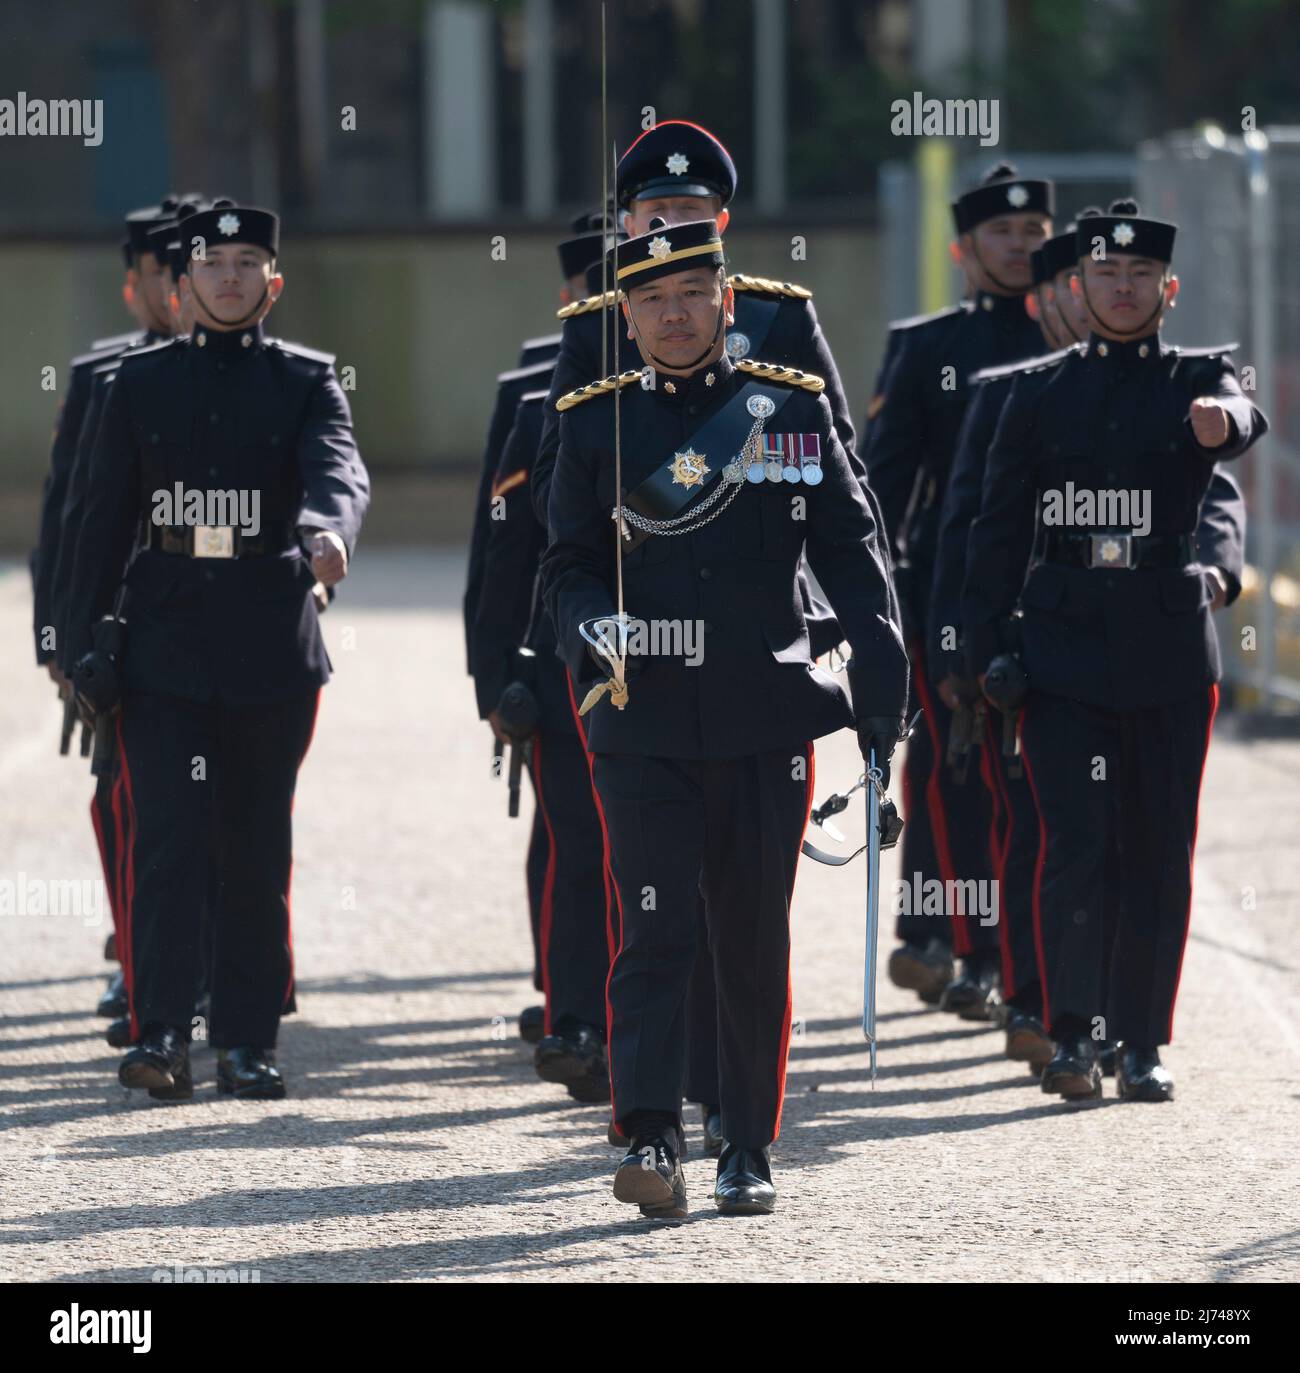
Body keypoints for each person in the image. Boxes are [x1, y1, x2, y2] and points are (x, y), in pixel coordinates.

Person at [541, 220, 907, 1216]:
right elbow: (564, 566)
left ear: (724, 302)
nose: (673, 313)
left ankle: (745, 1141)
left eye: (692, 294)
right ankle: (652, 1132)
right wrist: (591, 621)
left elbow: (847, 545)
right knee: (654, 929)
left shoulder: (783, 414)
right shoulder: (591, 424)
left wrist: (881, 676)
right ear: (625, 315)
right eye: (652, 299)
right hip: (640, 717)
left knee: (750, 936)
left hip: (761, 713)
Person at [962, 200, 1267, 1102]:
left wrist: (1224, 423)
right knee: (1076, 846)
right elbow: (994, 528)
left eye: (1140, 277)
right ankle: (1073, 1036)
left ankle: (1141, 1041)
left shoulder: (1198, 379)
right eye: (1107, 275)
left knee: (1157, 848)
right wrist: (983, 648)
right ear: (1079, 285)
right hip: (1060, 648)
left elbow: (1243, 417)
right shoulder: (1038, 390)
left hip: (1168, 647)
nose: (1123, 288)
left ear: (1166, 290)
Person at [66, 199, 369, 1102]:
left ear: (272, 283)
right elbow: (95, 521)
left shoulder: (307, 382)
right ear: (182, 285)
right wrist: (82, 641)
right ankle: (160, 1031)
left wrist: (326, 531)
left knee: (253, 842)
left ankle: (245, 1038)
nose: (230, 278)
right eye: (213, 265)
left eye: (247, 264)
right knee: (165, 838)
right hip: (163, 637)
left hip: (268, 635)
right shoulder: (138, 384)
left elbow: (337, 470)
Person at [863, 162, 1053, 1018]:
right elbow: (885, 480)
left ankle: (1012, 952)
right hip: (947, 582)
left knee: (1039, 781)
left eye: (1035, 233)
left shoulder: (1072, 332)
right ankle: (957, 943)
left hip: (1057, 583)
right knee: (956, 767)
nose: (1020, 247)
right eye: (1003, 234)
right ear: (963, 250)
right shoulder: (930, 345)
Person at [470, 217, 618, 1097]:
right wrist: (497, 675)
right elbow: (502, 558)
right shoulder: (540, 401)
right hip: (572, 657)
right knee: (577, 842)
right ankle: (575, 1017)